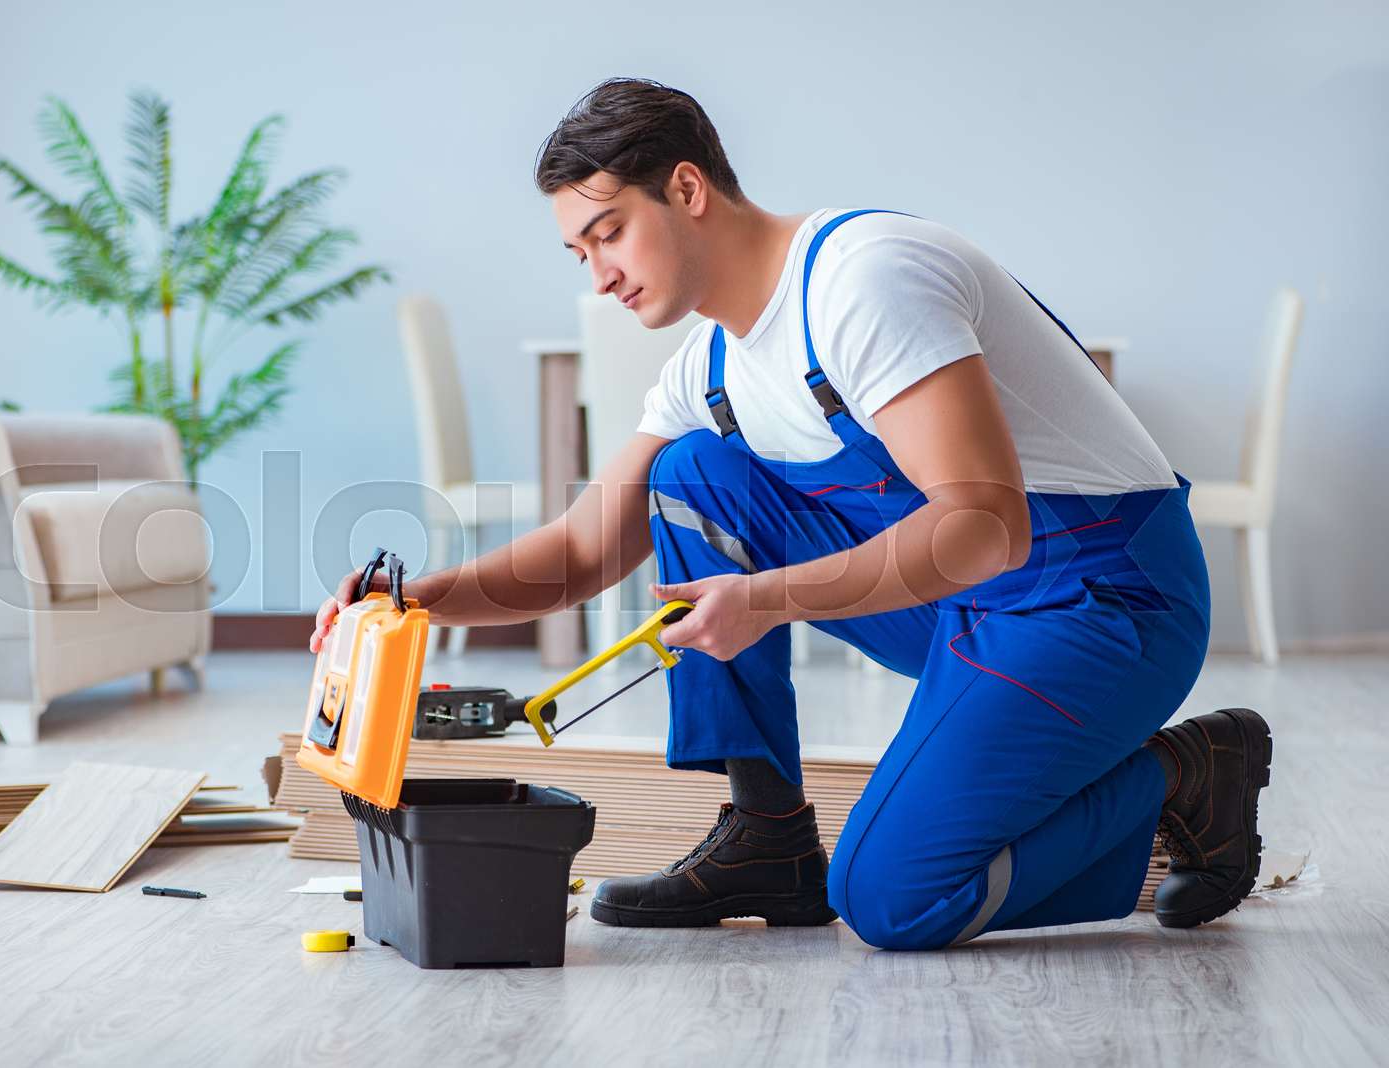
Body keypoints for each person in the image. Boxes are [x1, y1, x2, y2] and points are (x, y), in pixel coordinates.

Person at [312, 78, 1271, 949]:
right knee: (689, 473)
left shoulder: (864, 281)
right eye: (579, 251)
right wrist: (415, 603)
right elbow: (583, 550)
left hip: (1101, 602)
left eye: (609, 233)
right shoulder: (709, 366)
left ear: (687, 188)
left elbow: (984, 526)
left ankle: (1188, 773)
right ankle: (767, 836)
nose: (597, 275)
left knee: (893, 900)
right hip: (966, 605)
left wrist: (768, 598)